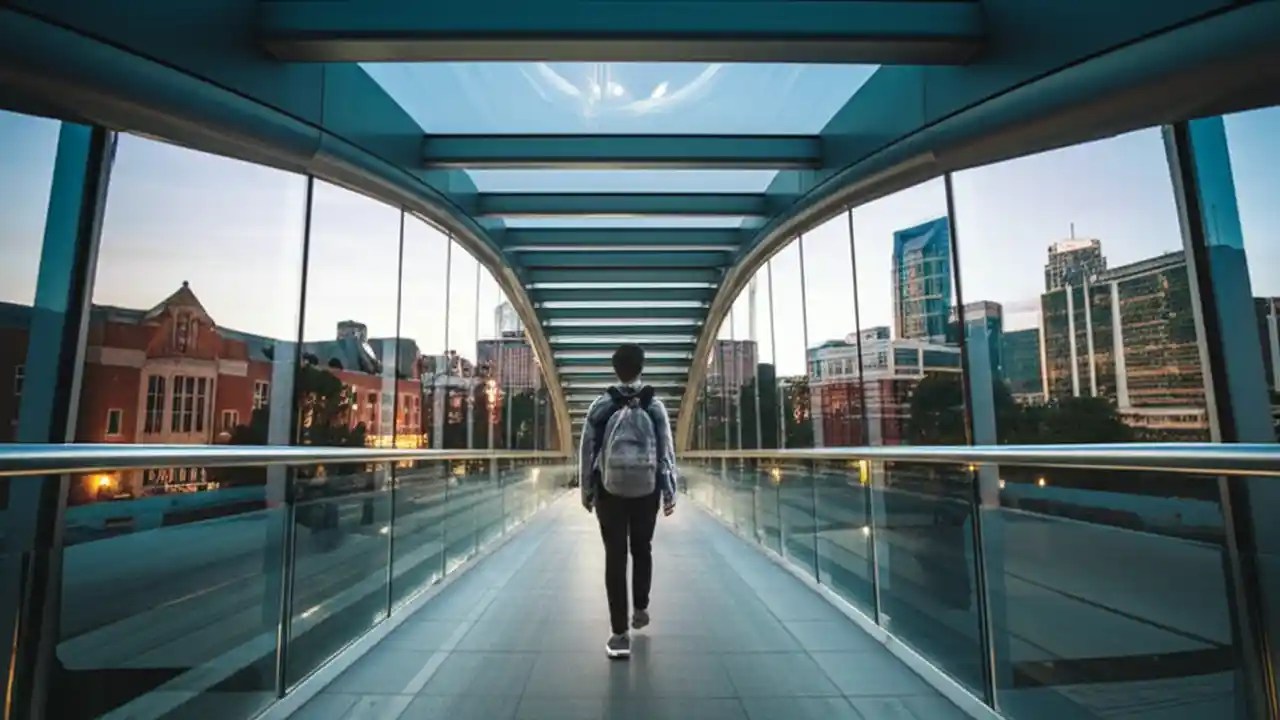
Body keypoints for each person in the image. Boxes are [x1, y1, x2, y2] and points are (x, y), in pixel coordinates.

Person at [578, 343, 677, 659]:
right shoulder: (654, 407)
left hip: (611, 491)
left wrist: (587, 490)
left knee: (615, 557)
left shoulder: (601, 406)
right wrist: (669, 491)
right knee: (642, 548)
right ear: (642, 367)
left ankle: (619, 634)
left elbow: (587, 452)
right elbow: (665, 452)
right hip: (645, 490)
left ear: (614, 368)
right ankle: (641, 607)